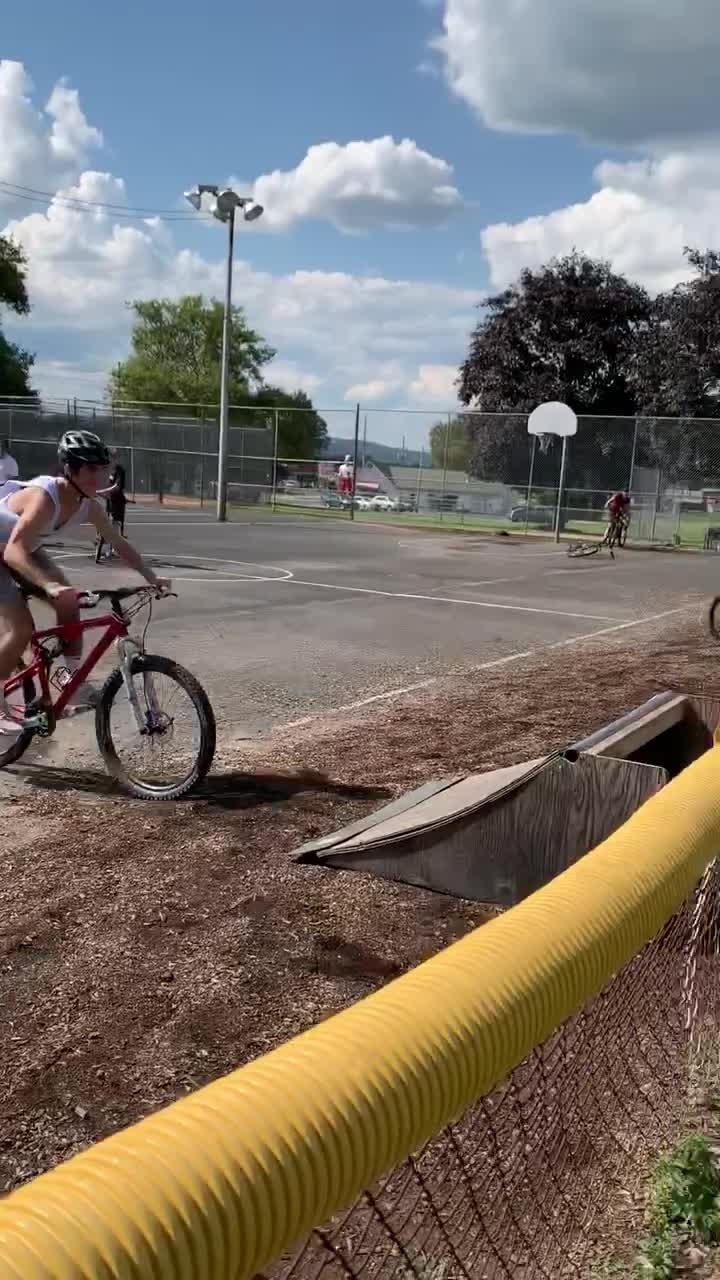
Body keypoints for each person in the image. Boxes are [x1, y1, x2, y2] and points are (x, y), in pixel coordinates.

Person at [0, 429, 168, 729]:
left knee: (69, 597)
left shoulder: (88, 504)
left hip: (22, 546)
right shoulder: (44, 498)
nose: (101, 476)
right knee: (22, 628)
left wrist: (151, 576)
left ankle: (72, 682)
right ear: (70, 469)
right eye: (92, 469)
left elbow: (118, 543)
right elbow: (13, 552)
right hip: (8, 550)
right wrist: (46, 584)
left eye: (103, 468)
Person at [94, 448, 128, 563]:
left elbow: (116, 487)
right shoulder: (109, 470)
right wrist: (99, 490)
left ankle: (112, 550)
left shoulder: (120, 471)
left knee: (115, 526)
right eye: (110, 457)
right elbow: (106, 484)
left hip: (118, 502)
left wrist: (103, 491)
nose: (111, 459)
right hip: (110, 501)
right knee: (107, 524)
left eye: (113, 457)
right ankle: (109, 548)